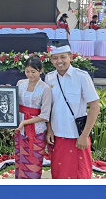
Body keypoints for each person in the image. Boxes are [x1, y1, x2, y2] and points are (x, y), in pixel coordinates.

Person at [45, 45, 100, 179]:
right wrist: (49, 130)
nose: (59, 61)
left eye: (63, 57)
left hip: (77, 137)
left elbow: (94, 107)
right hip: (57, 137)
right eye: (55, 58)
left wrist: (84, 135)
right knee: (59, 174)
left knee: (80, 175)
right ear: (51, 60)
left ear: (70, 57)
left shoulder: (82, 77)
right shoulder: (49, 78)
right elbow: (48, 108)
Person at [14, 55, 52, 179]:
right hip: (20, 130)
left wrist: (25, 122)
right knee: (20, 161)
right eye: (27, 71)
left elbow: (45, 115)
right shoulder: (20, 83)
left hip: (37, 131)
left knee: (33, 163)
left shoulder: (45, 88)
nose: (30, 75)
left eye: (33, 72)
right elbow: (14, 103)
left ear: (41, 71)